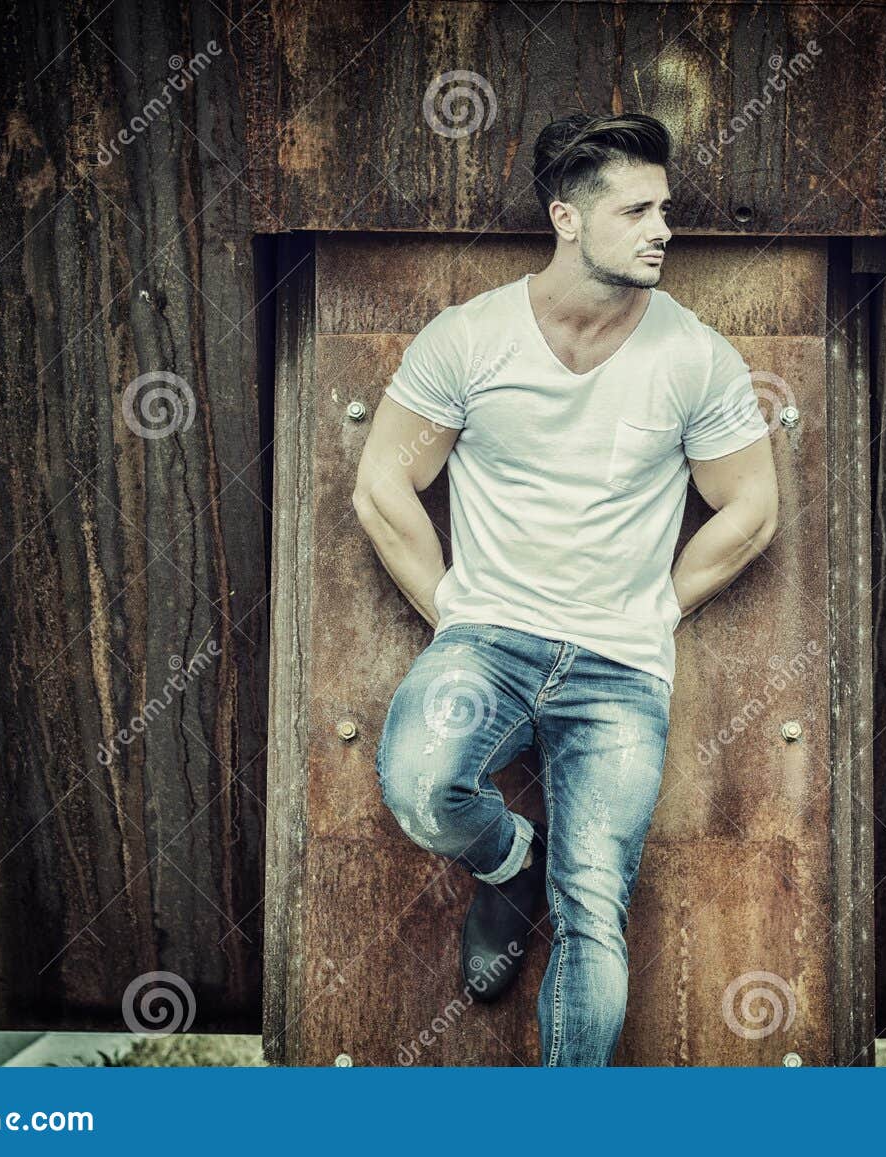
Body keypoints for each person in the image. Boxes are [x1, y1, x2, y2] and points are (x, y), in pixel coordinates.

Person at [351, 111, 779, 1066]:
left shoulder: (695, 355)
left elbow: (750, 508)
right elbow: (384, 486)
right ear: (568, 218)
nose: (663, 228)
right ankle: (510, 862)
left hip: (621, 669)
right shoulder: (470, 339)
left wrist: (660, 608)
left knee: (596, 910)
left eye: (664, 208)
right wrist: (454, 613)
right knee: (422, 786)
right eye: (637, 210)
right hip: (488, 640)